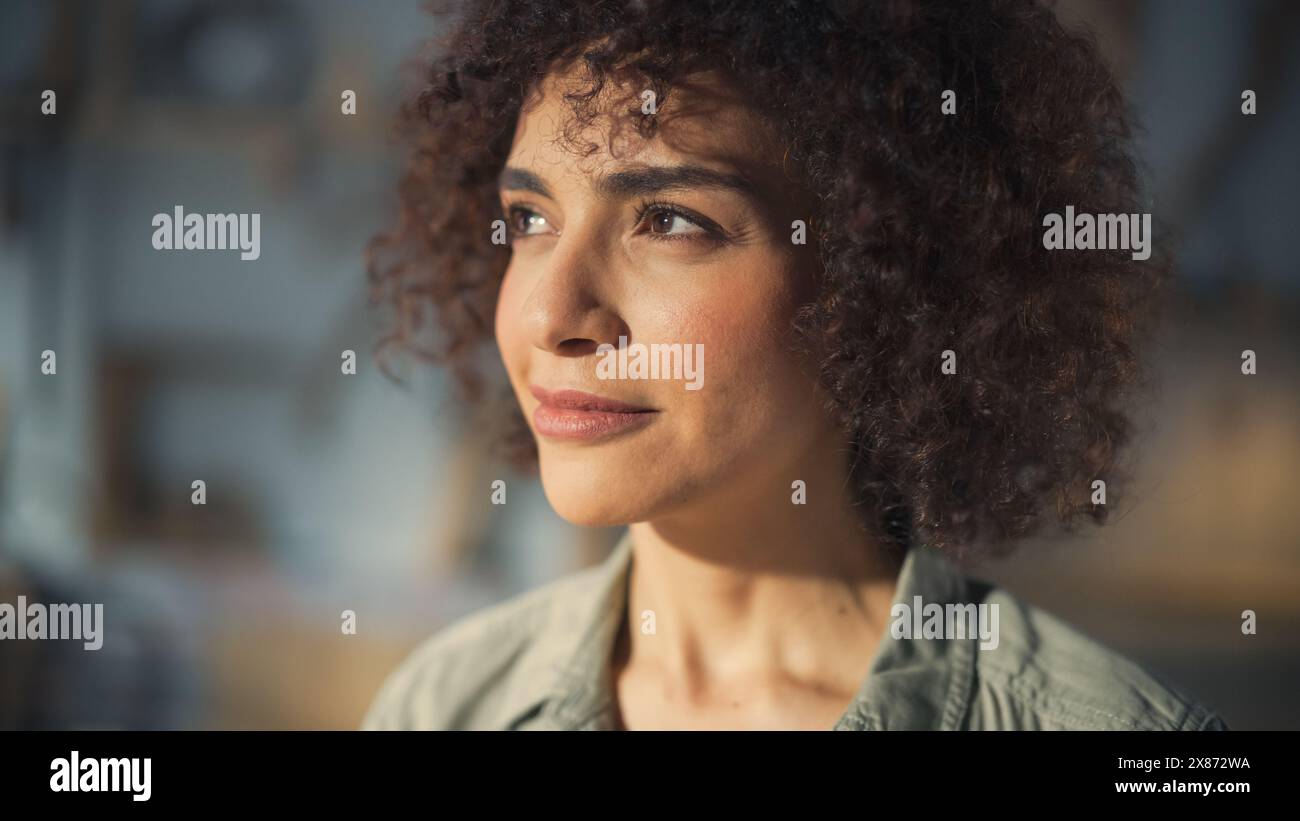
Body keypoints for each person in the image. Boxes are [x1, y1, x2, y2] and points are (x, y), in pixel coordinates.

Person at [362, 0, 1227, 730]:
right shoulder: (444, 704)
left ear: (882, 281)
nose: (551, 315)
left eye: (669, 220)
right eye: (529, 218)